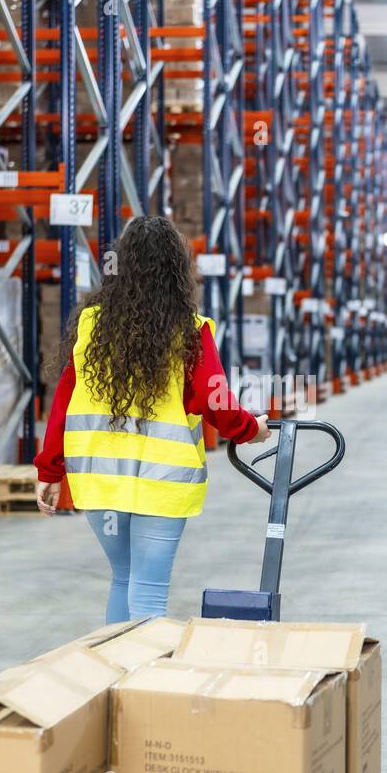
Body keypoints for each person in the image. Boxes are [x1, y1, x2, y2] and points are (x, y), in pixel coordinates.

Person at [34, 216, 270, 623]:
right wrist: (251, 429)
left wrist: (49, 471)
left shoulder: (91, 324)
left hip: (100, 479)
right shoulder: (190, 331)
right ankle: (142, 682)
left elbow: (63, 402)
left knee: (122, 579)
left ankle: (117, 676)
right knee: (148, 590)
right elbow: (214, 398)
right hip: (161, 482)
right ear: (177, 268)